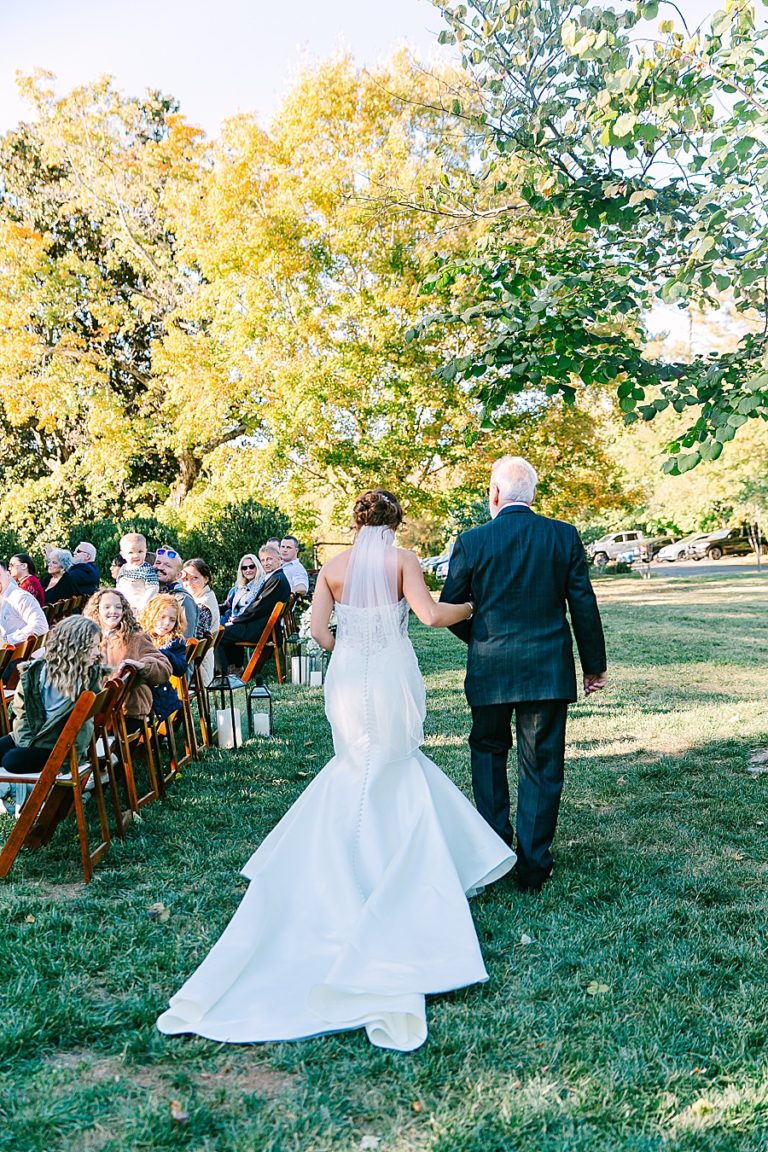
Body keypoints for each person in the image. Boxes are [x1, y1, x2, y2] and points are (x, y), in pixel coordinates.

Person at [157, 488, 514, 1051]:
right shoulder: (401, 560)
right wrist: (470, 607)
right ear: (395, 522)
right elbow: (428, 614)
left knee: (356, 762)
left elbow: (318, 633)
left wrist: (350, 641)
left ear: (354, 521)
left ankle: (349, 859)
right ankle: (396, 861)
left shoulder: (332, 566)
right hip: (391, 670)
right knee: (395, 761)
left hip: (348, 674)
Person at [440, 455, 608, 894]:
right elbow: (583, 604)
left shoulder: (473, 541)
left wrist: (482, 639)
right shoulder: (562, 536)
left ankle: (494, 851)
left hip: (490, 669)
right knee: (541, 764)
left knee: (489, 754)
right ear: (531, 495)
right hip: (546, 670)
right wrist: (594, 667)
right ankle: (533, 866)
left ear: (495, 494)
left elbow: (451, 606)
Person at [0, 615, 106, 814]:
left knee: (11, 761)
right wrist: (25, 742)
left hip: (56, 746)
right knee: (8, 752)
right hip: (27, 737)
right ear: (75, 646)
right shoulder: (36, 672)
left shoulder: (89, 679)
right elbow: (20, 711)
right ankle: (13, 791)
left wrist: (68, 759)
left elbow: (83, 730)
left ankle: (18, 793)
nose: (97, 652)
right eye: (93, 646)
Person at [83, 588, 171, 725]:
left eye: (118, 607)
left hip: (128, 712)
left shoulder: (135, 638)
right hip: (96, 711)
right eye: (107, 607)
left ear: (124, 611)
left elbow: (164, 667)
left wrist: (143, 665)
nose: (113, 611)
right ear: (96, 610)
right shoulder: (87, 638)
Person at [216, 545, 290, 673]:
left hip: (259, 628)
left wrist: (236, 620)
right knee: (227, 631)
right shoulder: (273, 577)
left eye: (270, 559)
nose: (266, 563)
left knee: (218, 634)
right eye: (263, 560)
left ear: (279, 559)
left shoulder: (277, 579)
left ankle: (223, 675)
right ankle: (235, 668)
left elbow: (258, 607)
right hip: (258, 624)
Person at [140, 594, 189, 724]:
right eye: (162, 617)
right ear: (151, 615)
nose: (167, 623)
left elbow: (181, 667)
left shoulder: (175, 642)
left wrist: (164, 653)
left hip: (160, 693)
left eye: (172, 620)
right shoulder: (141, 636)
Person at [181, 559, 220, 686]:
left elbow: (194, 639)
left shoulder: (204, 605)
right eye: (185, 579)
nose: (189, 583)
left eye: (195, 578)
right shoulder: (201, 597)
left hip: (197, 670)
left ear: (206, 579)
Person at [0, 559, 49, 646]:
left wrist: (6, 640)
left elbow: (41, 626)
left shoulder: (20, 597)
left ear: (8, 575)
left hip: (23, 656)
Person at [153, 547, 198, 640]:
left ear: (178, 575)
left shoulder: (182, 599)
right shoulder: (151, 594)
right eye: (158, 563)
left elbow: (185, 639)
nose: (160, 567)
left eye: (167, 565)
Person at [115, 533, 159, 614]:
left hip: (140, 609)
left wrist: (141, 606)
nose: (136, 555)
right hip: (124, 606)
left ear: (145, 551)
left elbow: (153, 588)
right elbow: (119, 586)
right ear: (123, 554)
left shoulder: (146, 569)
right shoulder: (123, 568)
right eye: (131, 552)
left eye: (140, 551)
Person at [220, 554, 264, 624]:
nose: (248, 570)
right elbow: (228, 604)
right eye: (244, 568)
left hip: (243, 622)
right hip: (230, 616)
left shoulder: (261, 584)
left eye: (251, 566)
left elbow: (252, 610)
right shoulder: (239, 584)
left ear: (257, 567)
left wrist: (235, 620)